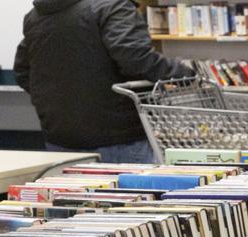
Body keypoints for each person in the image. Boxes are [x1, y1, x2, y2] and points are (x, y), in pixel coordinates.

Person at [15, 0, 193, 164]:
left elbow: (23, 71)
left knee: (71, 198)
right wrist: (184, 73)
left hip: (60, 137)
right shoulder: (113, 6)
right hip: (119, 137)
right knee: (133, 196)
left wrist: (51, 100)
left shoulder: (36, 16)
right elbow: (136, 59)